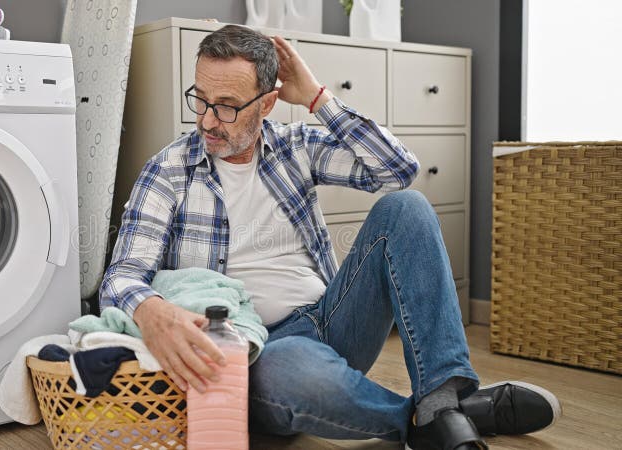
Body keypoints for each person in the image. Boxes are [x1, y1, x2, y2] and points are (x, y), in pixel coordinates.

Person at [100, 24, 560, 449]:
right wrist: (150, 310)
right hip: (256, 350)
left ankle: (441, 395)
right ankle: (443, 419)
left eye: (226, 106)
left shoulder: (294, 146)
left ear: (266, 104)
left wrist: (319, 99)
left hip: (332, 318)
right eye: (200, 99)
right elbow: (121, 277)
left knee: (407, 208)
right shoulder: (168, 170)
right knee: (294, 371)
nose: (206, 120)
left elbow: (397, 170)